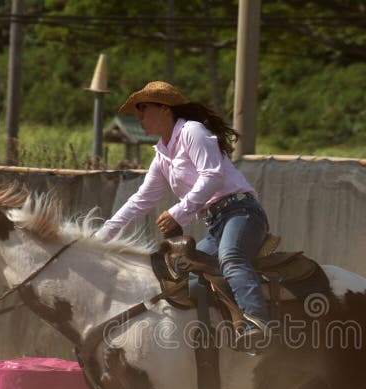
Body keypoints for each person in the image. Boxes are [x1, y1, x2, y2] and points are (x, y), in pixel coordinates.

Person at [95, 81, 271, 351]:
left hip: (242, 211)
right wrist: (101, 236)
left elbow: (212, 176)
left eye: (143, 109)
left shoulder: (192, 131)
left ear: (165, 109)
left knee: (231, 257)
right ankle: (219, 334)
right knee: (186, 275)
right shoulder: (162, 156)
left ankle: (258, 324)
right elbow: (140, 200)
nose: (139, 117)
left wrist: (178, 212)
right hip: (217, 223)